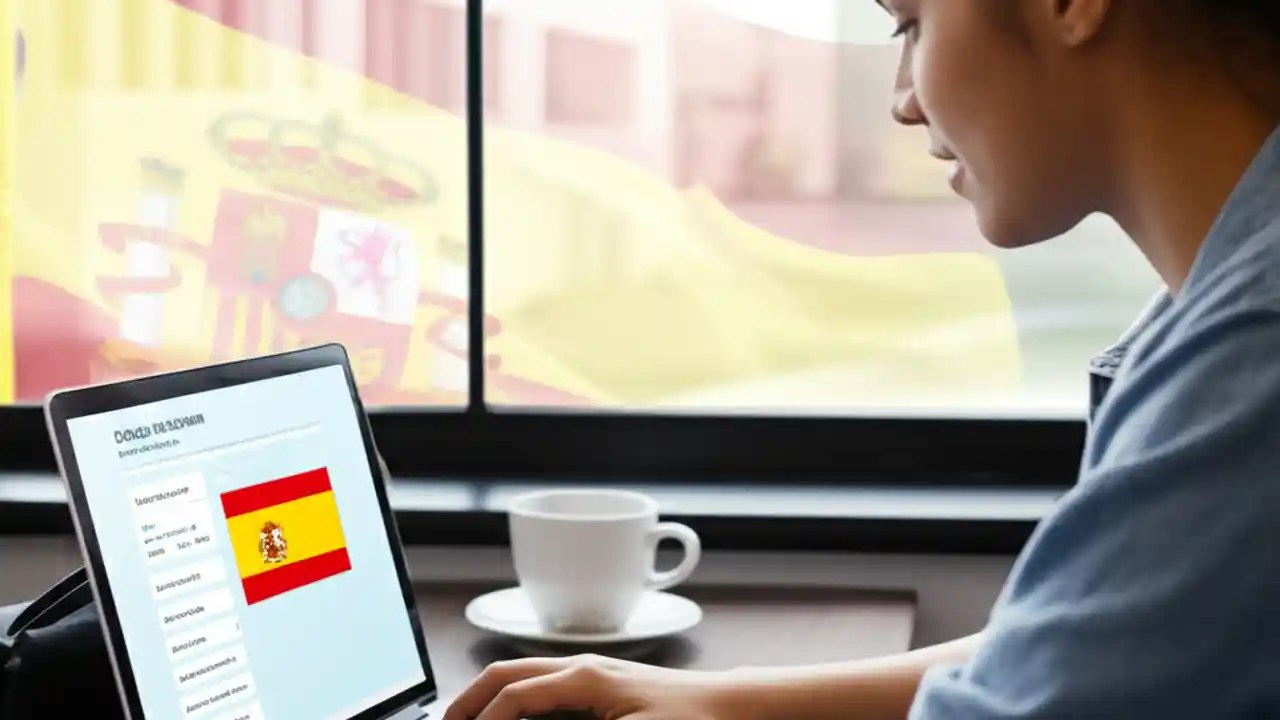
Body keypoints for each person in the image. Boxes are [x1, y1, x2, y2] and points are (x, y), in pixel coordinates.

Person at [445, 0, 1280, 717]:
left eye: (913, 24)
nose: (904, 102)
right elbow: (1071, 651)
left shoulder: (1251, 358)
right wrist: (725, 700)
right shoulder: (1219, 306)